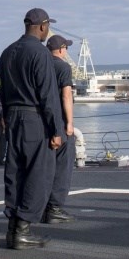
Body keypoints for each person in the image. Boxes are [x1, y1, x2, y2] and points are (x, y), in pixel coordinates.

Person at [0, 8, 63, 249]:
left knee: (15, 173)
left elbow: (3, 91)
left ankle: (12, 227)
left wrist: (5, 118)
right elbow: (48, 95)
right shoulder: (40, 53)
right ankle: (23, 229)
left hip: (13, 117)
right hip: (34, 118)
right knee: (38, 173)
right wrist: (56, 130)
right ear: (43, 26)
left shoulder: (7, 52)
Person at [43, 35, 76, 223]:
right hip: (60, 124)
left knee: (45, 167)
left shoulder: (42, 65)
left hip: (42, 123)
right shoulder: (63, 67)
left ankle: (41, 206)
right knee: (63, 166)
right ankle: (54, 208)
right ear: (62, 49)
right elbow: (66, 95)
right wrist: (69, 123)